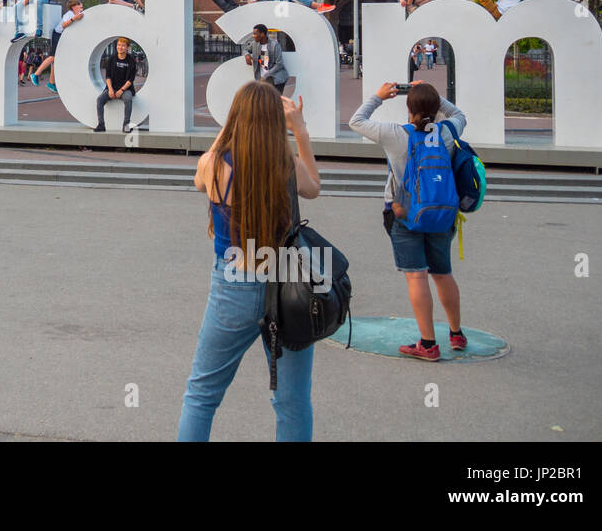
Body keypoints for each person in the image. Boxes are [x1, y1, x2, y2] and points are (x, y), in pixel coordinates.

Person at [178, 82, 321, 441]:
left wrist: (231, 125)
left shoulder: (216, 165)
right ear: (276, 121)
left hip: (233, 282)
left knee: (202, 394)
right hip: (287, 284)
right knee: (292, 402)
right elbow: (314, 187)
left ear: (235, 117)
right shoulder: (285, 164)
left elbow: (199, 178)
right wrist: (299, 130)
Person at [349, 80, 468, 361]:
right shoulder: (447, 131)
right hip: (442, 214)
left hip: (405, 214)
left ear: (408, 107)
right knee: (442, 274)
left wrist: (378, 97)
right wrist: (433, 93)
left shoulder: (394, 134)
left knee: (417, 276)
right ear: (436, 107)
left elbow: (357, 120)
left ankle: (428, 344)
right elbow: (459, 115)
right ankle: (456, 334)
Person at [31, 0, 83, 92]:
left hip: (63, 36)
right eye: (80, 6)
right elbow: (63, 25)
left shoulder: (76, 15)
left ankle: (51, 82)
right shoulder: (70, 14)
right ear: (74, 7)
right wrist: (74, 18)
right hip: (58, 34)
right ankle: (36, 74)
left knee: (56, 60)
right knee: (53, 57)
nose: (81, 7)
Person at [95, 36, 137, 133]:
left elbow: (131, 79)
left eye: (123, 45)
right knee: (100, 100)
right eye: (118, 45)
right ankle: (101, 125)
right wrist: (110, 89)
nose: (120, 47)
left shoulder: (131, 61)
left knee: (128, 99)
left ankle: (126, 125)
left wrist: (121, 90)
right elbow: (108, 76)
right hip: (112, 88)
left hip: (125, 89)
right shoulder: (112, 59)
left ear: (127, 48)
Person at [243, 23, 289, 95]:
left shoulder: (275, 45)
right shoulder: (254, 44)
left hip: (275, 79)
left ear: (262, 34)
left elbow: (279, 64)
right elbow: (245, 50)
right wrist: (247, 55)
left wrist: (265, 76)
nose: (253, 36)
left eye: (255, 34)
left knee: (275, 103)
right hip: (261, 79)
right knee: (263, 103)